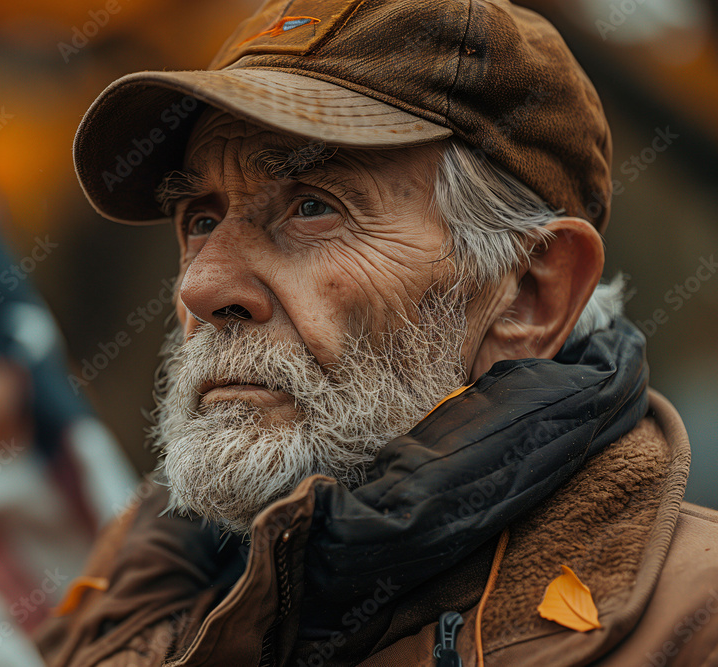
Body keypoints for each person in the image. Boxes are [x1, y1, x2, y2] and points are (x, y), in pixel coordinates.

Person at [37, 0, 718, 664]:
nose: (200, 288)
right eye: (201, 219)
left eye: (312, 207)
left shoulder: (697, 623)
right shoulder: (116, 613)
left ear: (531, 295)